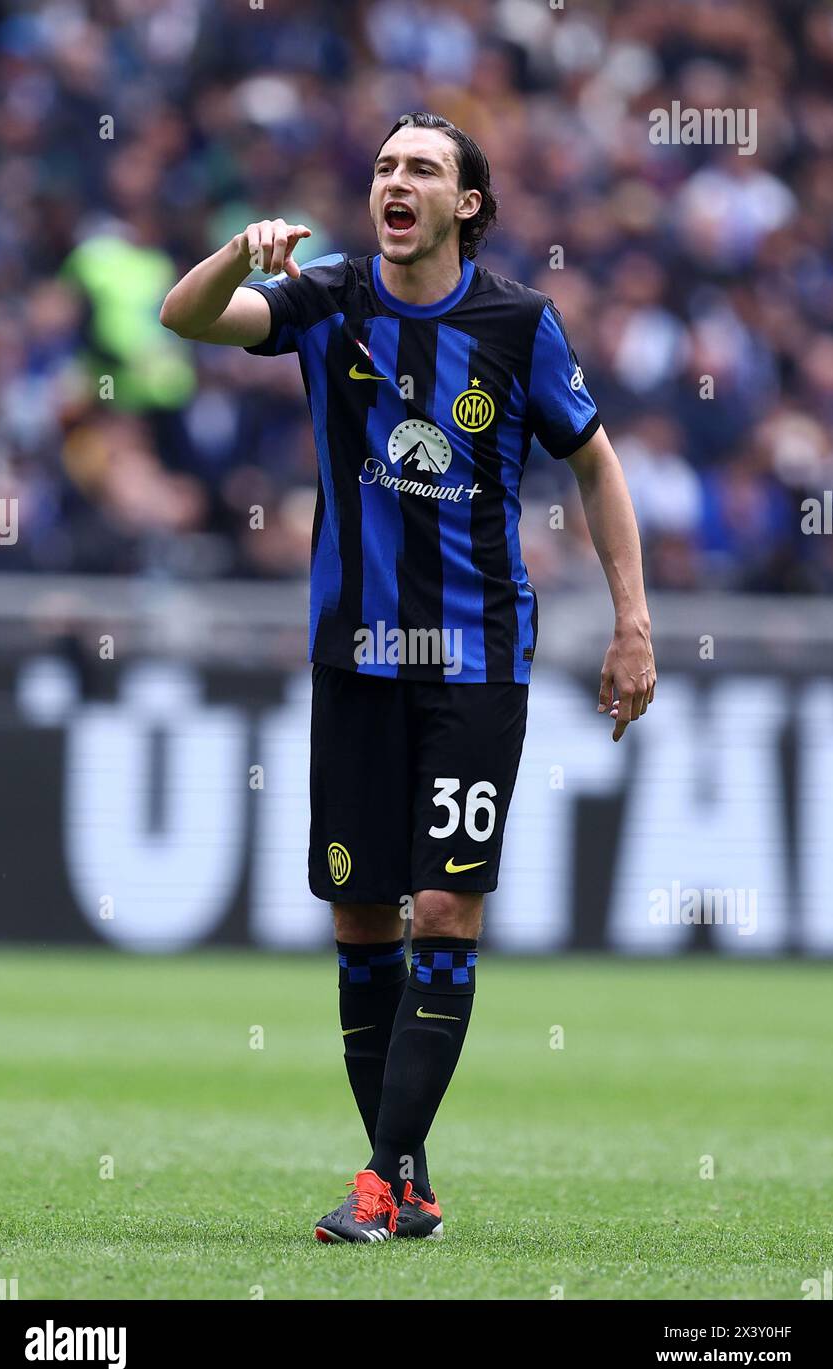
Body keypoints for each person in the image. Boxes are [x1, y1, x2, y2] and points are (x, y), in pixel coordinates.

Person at [160, 111, 656, 1244]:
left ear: (464, 204)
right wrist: (239, 252)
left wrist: (631, 621)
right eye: (384, 164)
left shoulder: (517, 322)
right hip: (352, 663)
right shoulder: (328, 296)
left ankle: (381, 1180)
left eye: (422, 168)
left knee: (445, 904)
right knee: (359, 916)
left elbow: (595, 464)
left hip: (475, 663)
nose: (396, 180)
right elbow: (183, 317)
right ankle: (410, 1178)